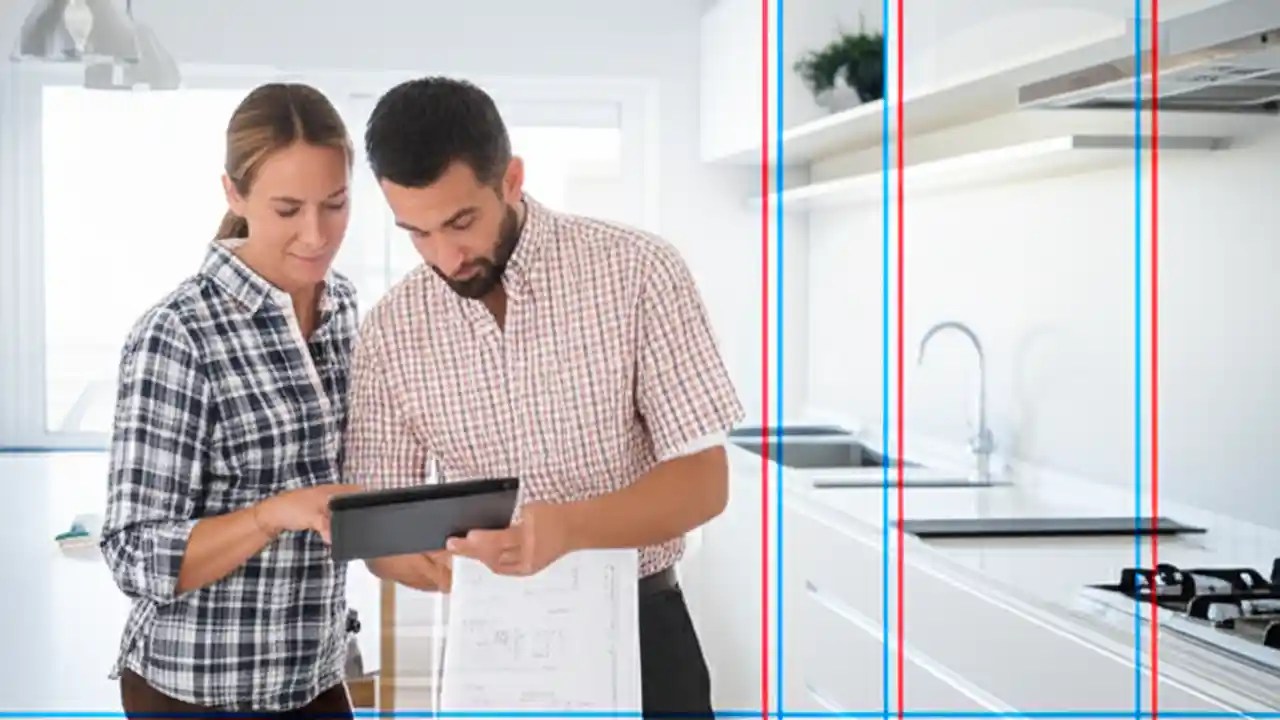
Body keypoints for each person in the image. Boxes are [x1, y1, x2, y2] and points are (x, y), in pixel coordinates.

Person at [342, 76, 745, 719]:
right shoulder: (392, 329)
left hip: (642, 636)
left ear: (510, 179)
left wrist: (568, 528)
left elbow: (704, 483)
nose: (446, 257)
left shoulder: (639, 272)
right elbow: (379, 532)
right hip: (489, 649)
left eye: (461, 221)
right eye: (417, 233)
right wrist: (450, 570)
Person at [99, 82, 364, 717]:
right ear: (234, 195)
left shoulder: (345, 306)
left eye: (335, 204)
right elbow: (134, 553)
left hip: (316, 678)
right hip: (196, 693)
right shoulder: (177, 333)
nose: (315, 234)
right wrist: (271, 514)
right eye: (287, 209)